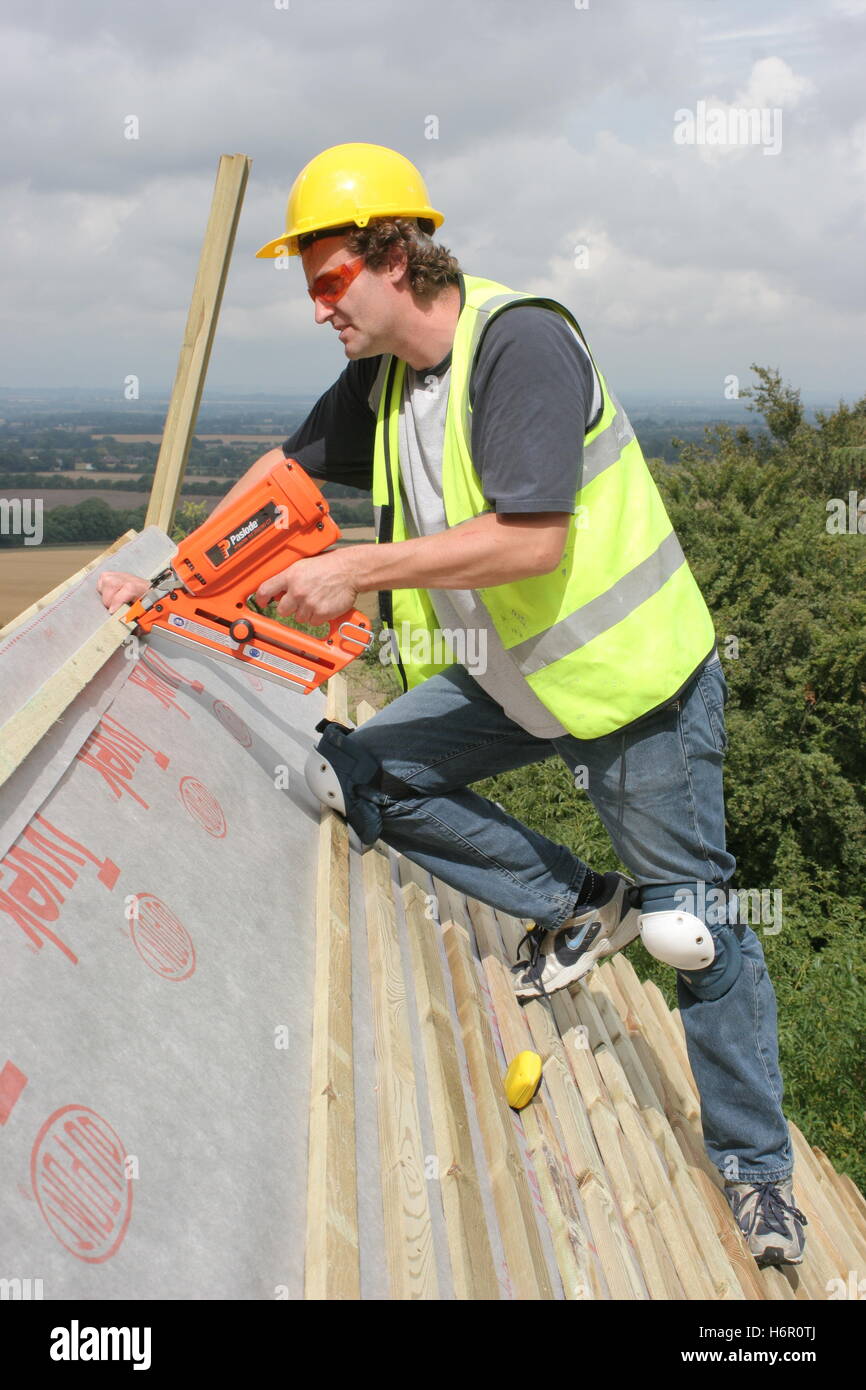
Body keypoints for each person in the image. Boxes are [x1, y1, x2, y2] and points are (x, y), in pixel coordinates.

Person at [98, 142, 806, 1267]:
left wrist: (353, 571)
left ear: (394, 255)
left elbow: (530, 535)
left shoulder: (517, 344)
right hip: (511, 681)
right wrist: (167, 579)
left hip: (633, 695)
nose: (318, 307)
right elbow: (280, 483)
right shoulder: (381, 383)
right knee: (355, 771)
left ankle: (756, 1173)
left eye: (329, 281)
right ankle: (581, 900)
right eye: (310, 289)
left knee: (692, 934)